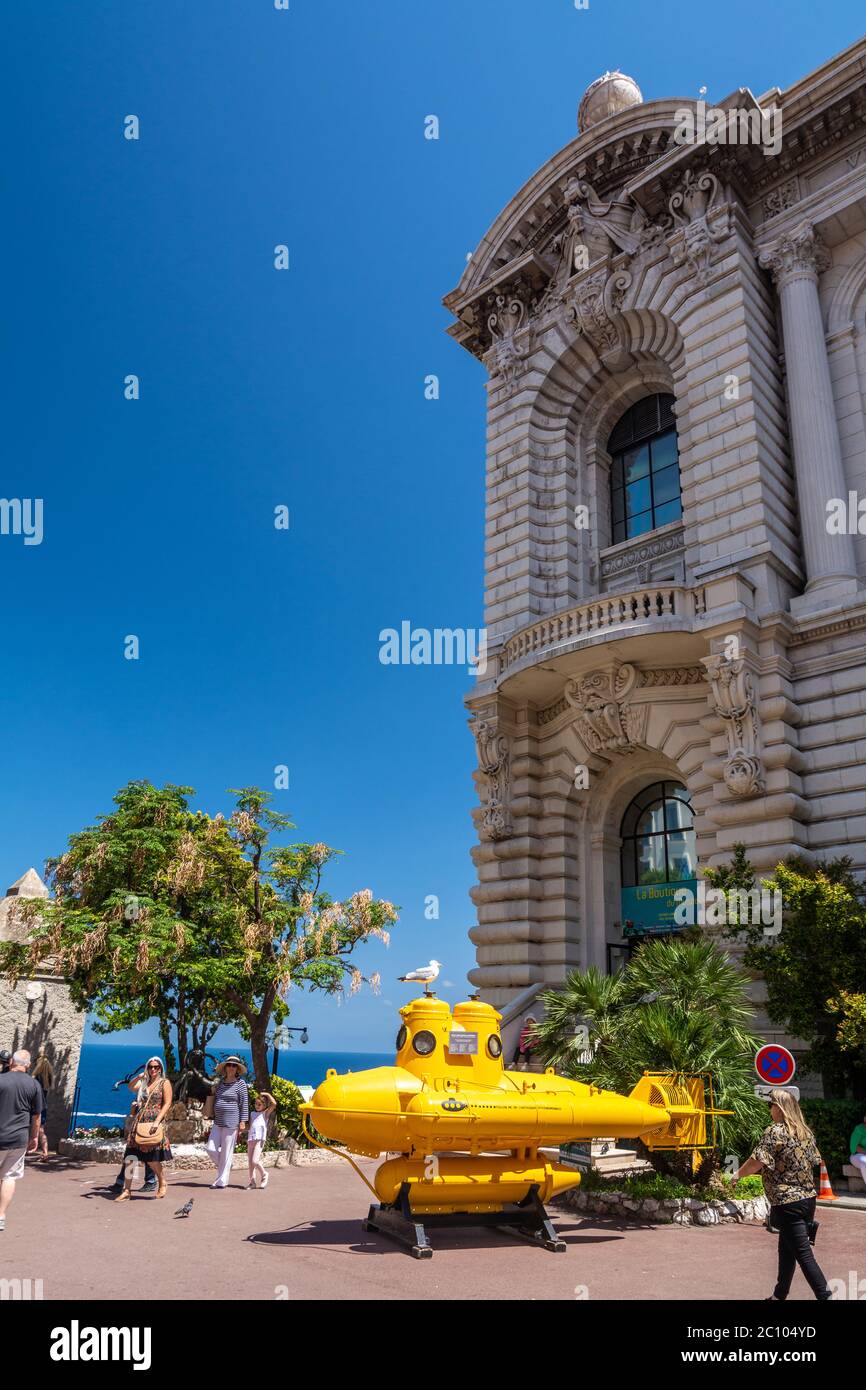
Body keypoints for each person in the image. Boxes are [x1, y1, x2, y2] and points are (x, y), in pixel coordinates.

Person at [737, 1087, 831, 1301]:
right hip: (808, 1199)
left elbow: (757, 1161)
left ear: (779, 1108)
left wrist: (737, 1175)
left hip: (787, 1202)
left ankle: (825, 1296)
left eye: (771, 1105)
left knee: (804, 1254)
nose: (769, 1109)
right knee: (786, 1249)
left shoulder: (775, 1131)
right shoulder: (805, 1132)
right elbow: (814, 1161)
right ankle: (779, 1295)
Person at [115, 1057, 173, 1201]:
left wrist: (157, 1122)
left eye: (156, 1067)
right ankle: (127, 1190)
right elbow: (130, 1087)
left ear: (160, 1068)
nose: (153, 1069)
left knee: (152, 1159)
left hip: (154, 1123)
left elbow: (167, 1103)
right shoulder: (144, 1082)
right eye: (150, 1067)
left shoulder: (164, 1083)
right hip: (139, 1122)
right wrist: (139, 1076)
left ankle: (162, 1181)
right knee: (130, 1158)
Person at [0, 1050, 42, 1232]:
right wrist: (34, 1137)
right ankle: (0, 1216)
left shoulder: (1, 1080)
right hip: (18, 1138)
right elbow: (36, 1116)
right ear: (29, 1065)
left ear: (10, 1061)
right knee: (9, 1176)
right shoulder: (34, 1085)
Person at [206, 1056, 249, 1189]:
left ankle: (221, 1181)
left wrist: (243, 1121)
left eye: (234, 1065)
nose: (231, 1067)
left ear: (237, 1069)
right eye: (229, 1065)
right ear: (225, 1067)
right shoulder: (220, 1083)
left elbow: (244, 1103)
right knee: (210, 1148)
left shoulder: (240, 1083)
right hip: (218, 1121)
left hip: (232, 1122)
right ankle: (226, 1165)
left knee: (226, 1152)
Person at [247, 1091, 276, 1190]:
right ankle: (252, 1183)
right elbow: (251, 1126)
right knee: (250, 1163)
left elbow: (274, 1104)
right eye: (256, 1104)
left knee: (255, 1161)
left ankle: (264, 1174)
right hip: (251, 1139)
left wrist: (267, 1095)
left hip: (260, 1139)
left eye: (259, 1104)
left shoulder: (265, 1113)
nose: (257, 1106)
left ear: (264, 1105)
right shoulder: (252, 1114)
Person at [31, 1051, 53, 1162]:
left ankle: (24, 1150)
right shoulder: (48, 1077)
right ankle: (45, 1153)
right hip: (43, 1106)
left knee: (25, 1127)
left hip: (33, 1105)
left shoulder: (36, 1078)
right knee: (41, 1130)